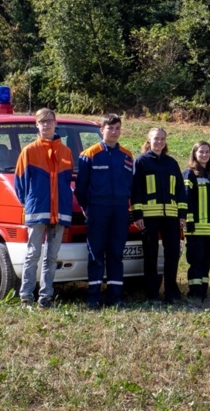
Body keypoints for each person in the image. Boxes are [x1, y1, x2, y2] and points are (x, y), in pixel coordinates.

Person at [14, 108, 74, 308]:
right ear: (37, 125)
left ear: (56, 123)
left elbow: (67, 183)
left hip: (61, 212)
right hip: (37, 211)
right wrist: (30, 203)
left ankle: (46, 297)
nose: (46, 125)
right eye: (42, 122)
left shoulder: (66, 152)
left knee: (52, 256)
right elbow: (20, 183)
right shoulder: (29, 151)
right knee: (33, 254)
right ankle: (26, 297)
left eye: (50, 121)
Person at [76, 113, 134, 309]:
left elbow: (131, 186)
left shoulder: (127, 155)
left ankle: (115, 296)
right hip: (98, 210)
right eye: (110, 128)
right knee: (96, 253)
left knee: (116, 253)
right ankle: (94, 296)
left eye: (117, 128)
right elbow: (81, 188)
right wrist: (87, 208)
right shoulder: (89, 155)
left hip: (119, 210)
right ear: (102, 130)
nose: (114, 132)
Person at [131, 127, 186, 303]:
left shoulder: (172, 163)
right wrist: (138, 215)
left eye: (162, 139)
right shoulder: (141, 161)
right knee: (151, 254)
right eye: (156, 139)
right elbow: (136, 190)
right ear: (149, 140)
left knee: (172, 253)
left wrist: (182, 214)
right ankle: (152, 293)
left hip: (170, 217)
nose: (159, 142)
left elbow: (179, 191)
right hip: (148, 217)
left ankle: (171, 291)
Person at [182, 142, 210, 302]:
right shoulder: (189, 174)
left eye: (207, 152)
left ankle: (203, 291)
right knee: (196, 262)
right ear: (195, 154)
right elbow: (186, 199)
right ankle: (195, 292)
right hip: (196, 229)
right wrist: (189, 221)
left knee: (206, 262)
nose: (204, 155)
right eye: (201, 152)